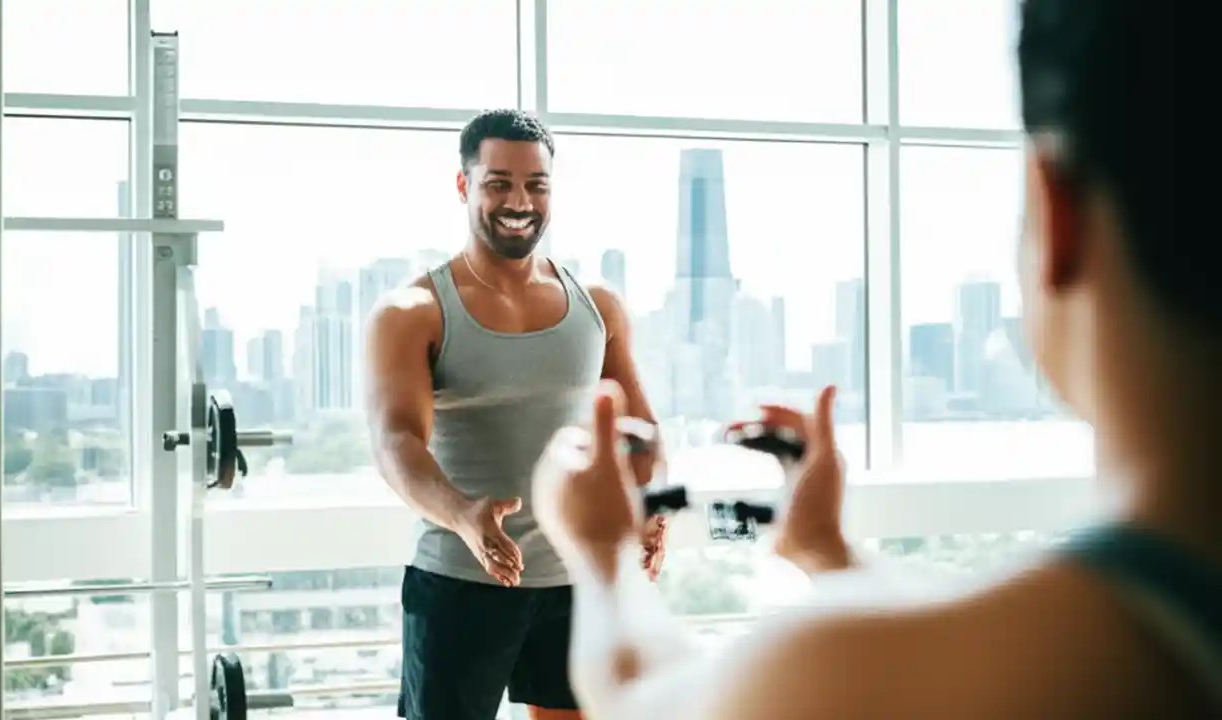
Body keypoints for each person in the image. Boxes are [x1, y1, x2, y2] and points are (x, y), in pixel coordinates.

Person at [533, 2, 1218, 718]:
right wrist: (828, 551)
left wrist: (602, 553)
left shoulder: (1087, 663)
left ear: (1057, 212)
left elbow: (644, 698)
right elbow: (942, 670)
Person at [365, 109, 666, 720]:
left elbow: (641, 433)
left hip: (580, 580)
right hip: (461, 579)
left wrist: (651, 505)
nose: (519, 200)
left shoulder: (598, 305)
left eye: (536, 184)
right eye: (498, 182)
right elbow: (396, 441)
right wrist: (465, 516)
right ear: (463, 186)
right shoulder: (413, 310)